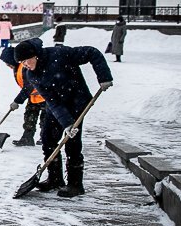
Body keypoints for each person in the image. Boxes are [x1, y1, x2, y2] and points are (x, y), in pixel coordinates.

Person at [10, 38, 113, 197]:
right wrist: (66, 123)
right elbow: (51, 100)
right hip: (57, 105)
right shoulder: (32, 75)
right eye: (21, 62)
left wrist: (104, 76)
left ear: (35, 55)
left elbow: (92, 52)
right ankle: (55, 179)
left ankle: (75, 184)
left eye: (26, 60)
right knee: (47, 138)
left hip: (77, 102)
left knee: (72, 141)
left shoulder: (60, 54)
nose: (24, 65)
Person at [0, 46, 43, 147]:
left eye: (7, 62)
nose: (7, 65)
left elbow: (29, 86)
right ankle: (27, 138)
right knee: (29, 117)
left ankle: (45, 138)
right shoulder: (17, 67)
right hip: (33, 97)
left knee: (45, 120)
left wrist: (17, 101)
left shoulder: (25, 67)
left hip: (44, 95)